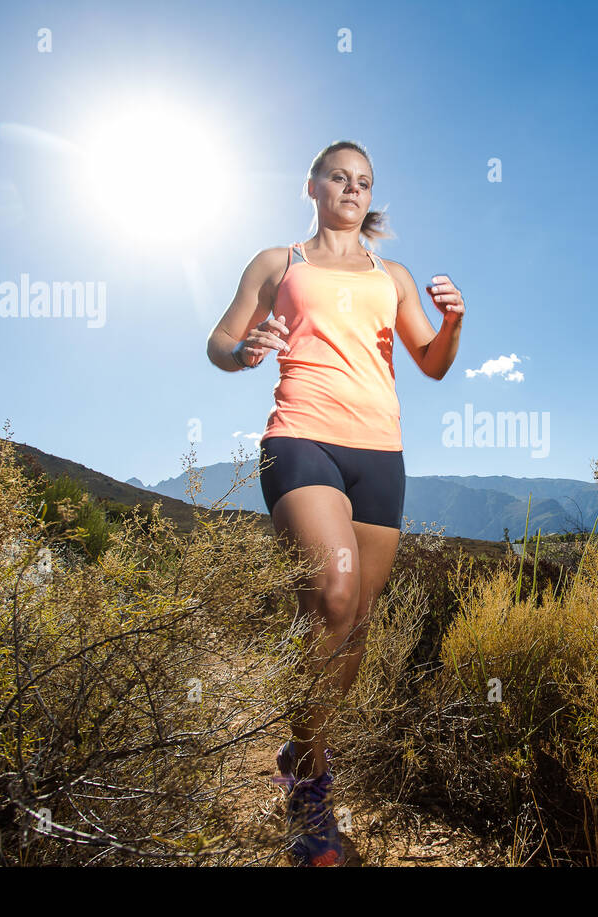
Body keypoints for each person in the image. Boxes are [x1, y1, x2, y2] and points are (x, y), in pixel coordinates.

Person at [205, 140, 465, 865]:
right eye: (339, 177)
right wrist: (247, 348)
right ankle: (312, 790)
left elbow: (433, 365)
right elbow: (219, 343)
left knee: (353, 626)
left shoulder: (393, 274)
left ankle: (299, 749)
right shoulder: (277, 263)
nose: (351, 188)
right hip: (300, 438)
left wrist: (453, 323)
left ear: (369, 195)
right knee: (334, 591)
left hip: (379, 453)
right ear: (312, 186)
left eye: (364, 182)